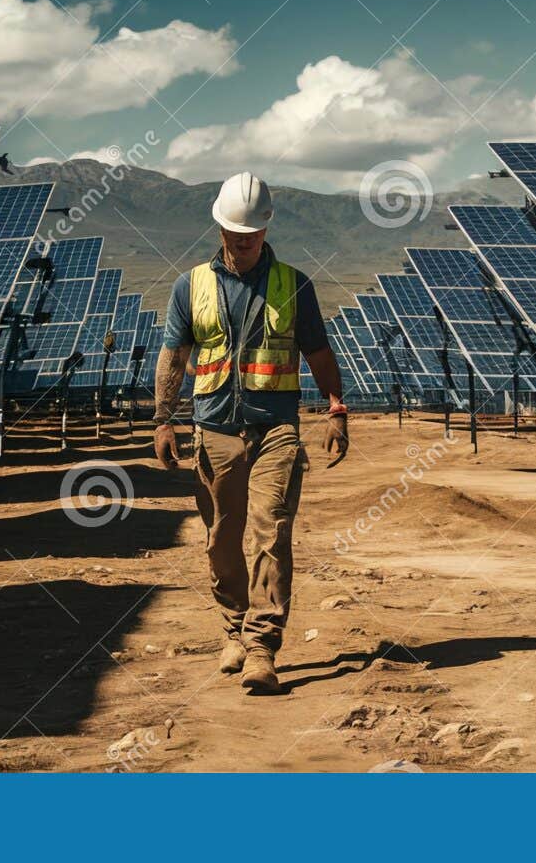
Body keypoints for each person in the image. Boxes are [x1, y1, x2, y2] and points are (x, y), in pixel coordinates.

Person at [153, 171, 349, 696]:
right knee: (221, 539)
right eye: (234, 234)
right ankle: (233, 628)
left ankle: (263, 646)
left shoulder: (294, 284)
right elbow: (174, 355)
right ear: (219, 228)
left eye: (252, 235)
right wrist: (163, 418)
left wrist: (335, 406)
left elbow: (318, 350)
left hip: (277, 429)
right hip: (214, 430)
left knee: (272, 531)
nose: (243, 243)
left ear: (265, 231)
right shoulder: (188, 286)